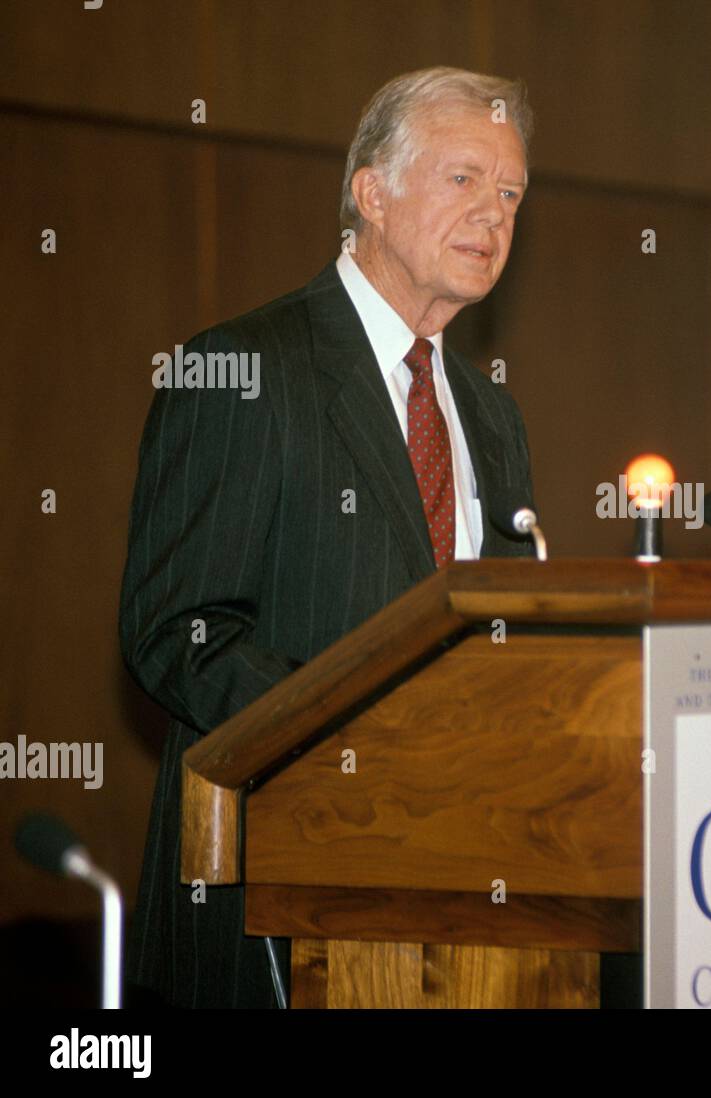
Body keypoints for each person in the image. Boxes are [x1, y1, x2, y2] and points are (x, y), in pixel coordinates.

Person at [119, 67, 536, 1008]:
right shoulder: (240, 370)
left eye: (511, 193)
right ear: (371, 192)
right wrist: (364, 733)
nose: (495, 215)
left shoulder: (491, 414)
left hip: (464, 885)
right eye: (465, 179)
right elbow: (176, 632)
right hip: (272, 894)